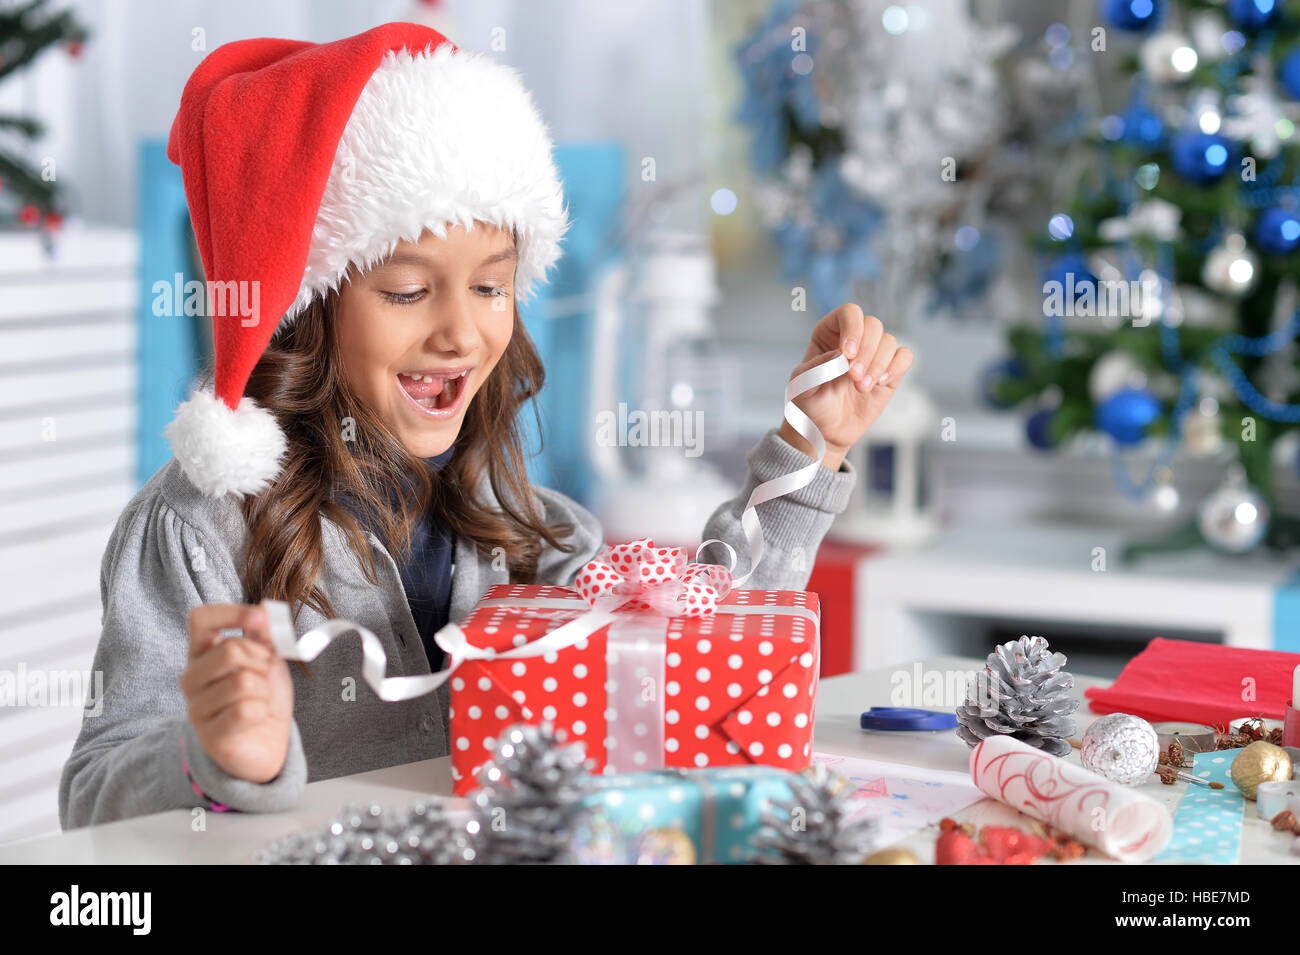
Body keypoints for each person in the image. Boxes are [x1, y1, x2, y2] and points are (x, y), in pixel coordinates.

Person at [58, 22, 913, 829]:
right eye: (406, 289)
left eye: (490, 286)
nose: (461, 333)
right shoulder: (193, 532)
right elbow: (93, 796)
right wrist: (210, 756)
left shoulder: (532, 529)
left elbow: (699, 650)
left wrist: (812, 446)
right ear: (305, 309)